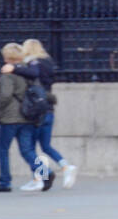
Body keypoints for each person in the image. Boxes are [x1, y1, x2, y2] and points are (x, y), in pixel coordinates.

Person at [13, 39, 77, 189]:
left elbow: (33, 74)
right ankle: (65, 166)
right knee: (45, 145)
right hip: (48, 109)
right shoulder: (48, 63)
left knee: (31, 148)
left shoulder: (34, 63)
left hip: (37, 110)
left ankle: (38, 178)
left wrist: (14, 68)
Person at [0, 43, 47, 193]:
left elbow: (5, 96)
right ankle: (46, 173)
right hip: (27, 117)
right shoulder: (28, 73)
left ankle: (5, 182)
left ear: (7, 57)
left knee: (3, 150)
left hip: (9, 118)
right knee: (27, 149)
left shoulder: (8, 75)